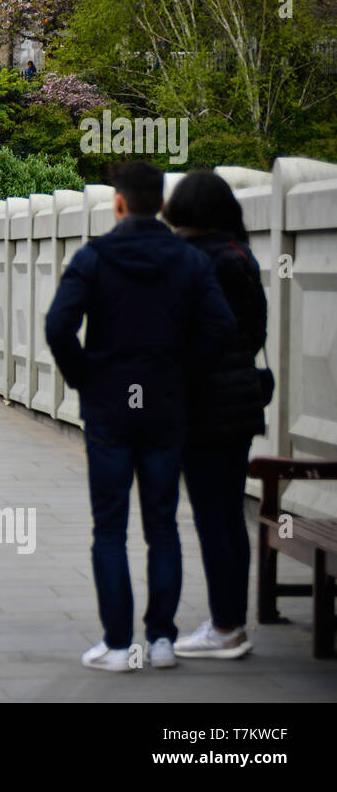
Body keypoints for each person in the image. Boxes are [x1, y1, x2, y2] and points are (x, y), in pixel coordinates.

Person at [44, 161, 236, 673]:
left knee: (109, 527)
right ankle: (162, 641)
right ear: (161, 204)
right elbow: (221, 328)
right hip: (167, 403)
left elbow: (59, 325)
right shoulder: (189, 259)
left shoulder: (95, 255)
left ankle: (115, 644)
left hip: (110, 404)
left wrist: (87, 376)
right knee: (163, 526)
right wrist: (182, 372)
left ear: (119, 202)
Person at [163, 170, 267, 661]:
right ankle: (231, 622)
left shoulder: (196, 261)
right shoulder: (242, 255)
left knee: (213, 516)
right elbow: (255, 334)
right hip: (241, 400)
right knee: (228, 513)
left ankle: (225, 627)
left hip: (204, 405)